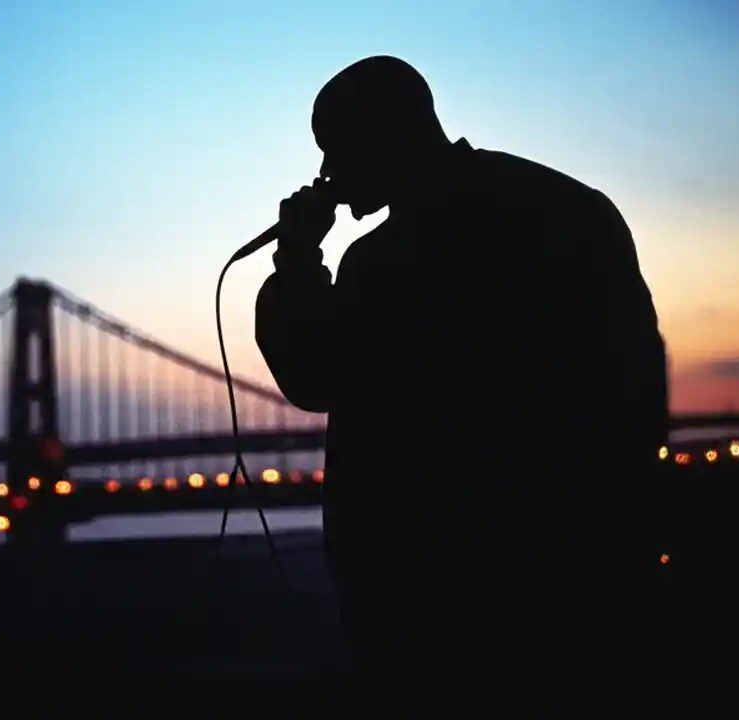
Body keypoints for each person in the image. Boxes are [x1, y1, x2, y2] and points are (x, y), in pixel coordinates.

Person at [255, 56, 672, 717]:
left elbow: (312, 372)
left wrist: (299, 261)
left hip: (428, 596)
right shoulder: (575, 207)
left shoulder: (384, 262)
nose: (327, 176)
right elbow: (639, 384)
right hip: (586, 574)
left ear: (376, 138)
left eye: (334, 151)